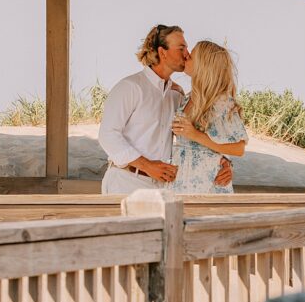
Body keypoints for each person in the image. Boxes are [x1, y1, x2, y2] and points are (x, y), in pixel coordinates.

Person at [98, 24, 233, 194]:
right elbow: (107, 135)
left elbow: (195, 136)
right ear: (163, 52)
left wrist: (224, 161)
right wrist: (147, 166)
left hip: (162, 188)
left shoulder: (177, 96)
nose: (187, 54)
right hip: (125, 183)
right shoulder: (130, 87)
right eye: (181, 48)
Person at [169, 41, 247, 194]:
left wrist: (195, 135)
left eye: (191, 56)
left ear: (203, 65)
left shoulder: (222, 102)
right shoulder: (187, 98)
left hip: (209, 186)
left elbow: (239, 148)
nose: (186, 57)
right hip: (182, 183)